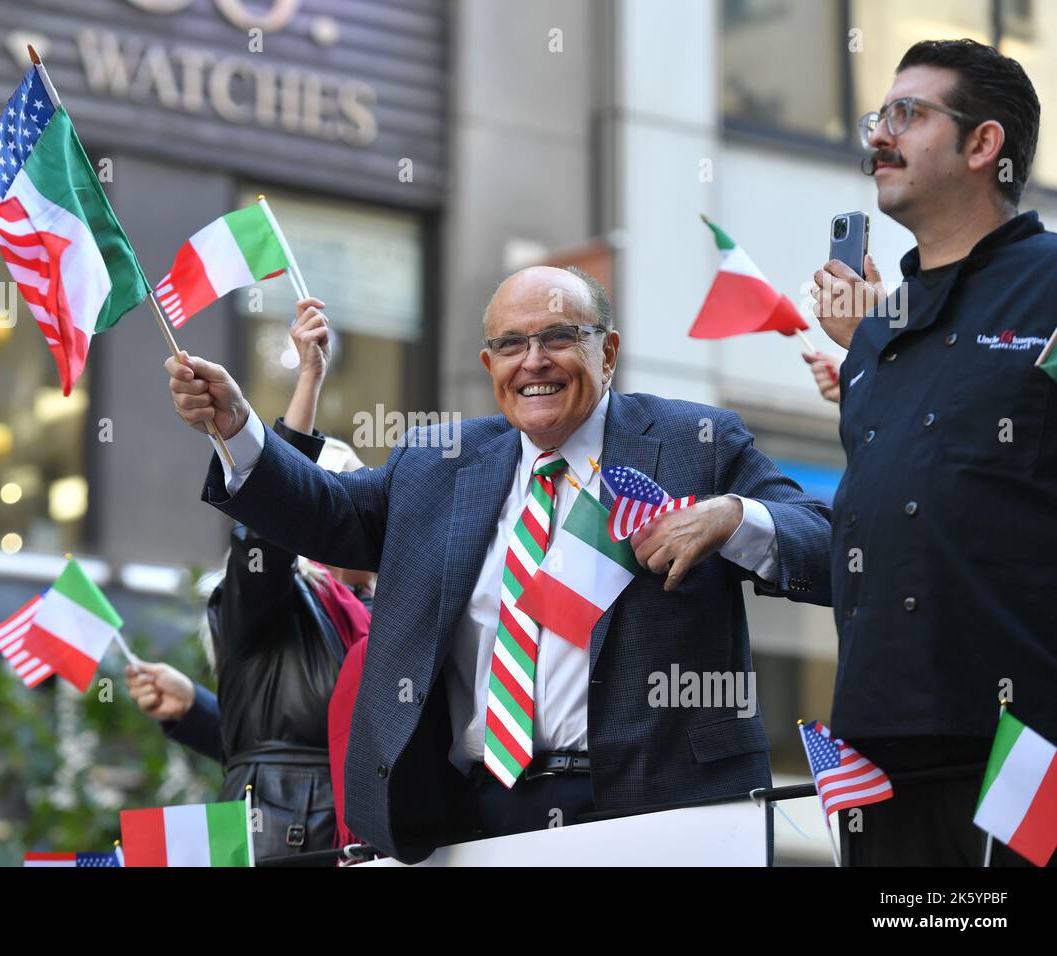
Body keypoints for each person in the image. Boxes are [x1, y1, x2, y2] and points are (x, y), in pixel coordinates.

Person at [164, 264, 832, 863]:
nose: (533, 361)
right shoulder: (436, 462)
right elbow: (325, 510)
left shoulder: (694, 444)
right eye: (511, 344)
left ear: (610, 352)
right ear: (490, 364)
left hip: (655, 811)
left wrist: (733, 518)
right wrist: (239, 428)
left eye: (559, 337)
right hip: (474, 818)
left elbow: (828, 546)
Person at [808, 39, 1056, 866]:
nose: (880, 135)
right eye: (881, 116)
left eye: (908, 116)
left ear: (984, 145)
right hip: (875, 752)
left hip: (1027, 744)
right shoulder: (877, 333)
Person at [126, 299, 374, 862]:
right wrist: (309, 378)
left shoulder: (387, 613)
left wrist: (198, 710)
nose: (373, 511)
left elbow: (290, 748)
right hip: (290, 847)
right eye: (354, 495)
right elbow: (274, 521)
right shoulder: (270, 594)